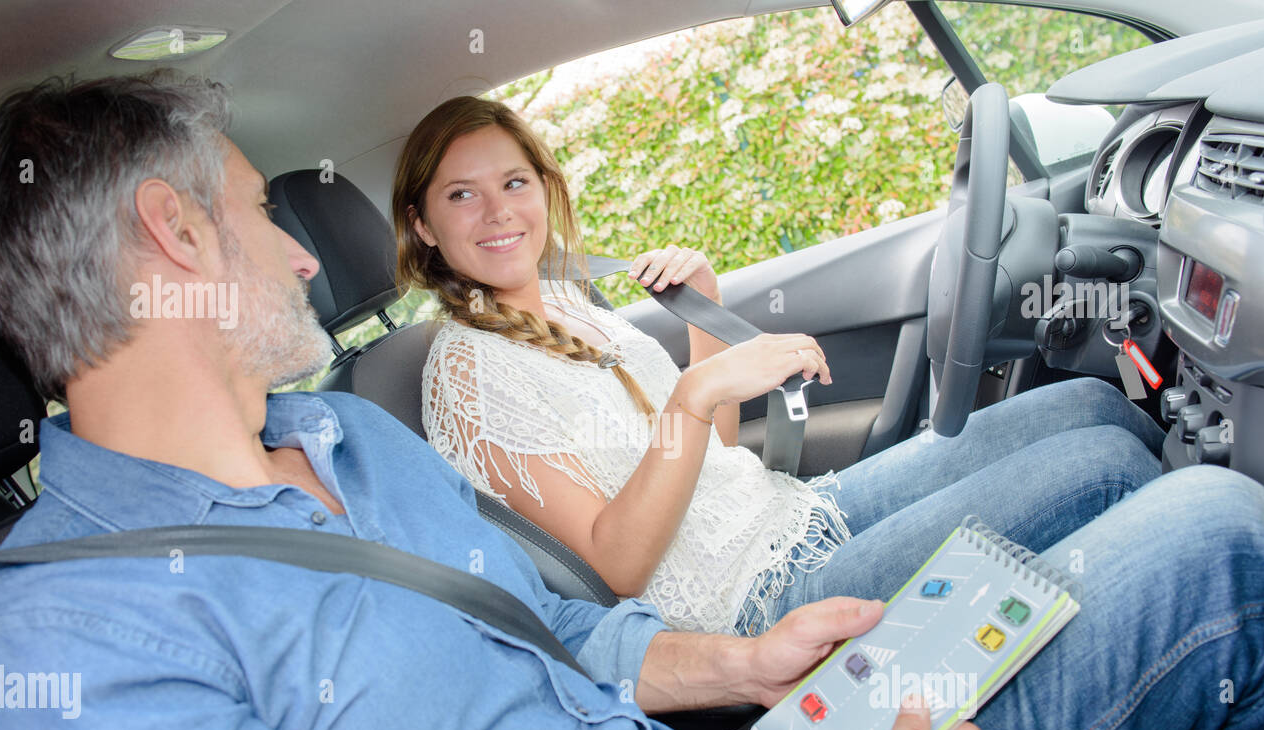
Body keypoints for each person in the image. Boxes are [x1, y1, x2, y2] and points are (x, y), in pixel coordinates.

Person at [0, 73, 1264, 730]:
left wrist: (736, 666)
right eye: (266, 214)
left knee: (1155, 484)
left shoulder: (347, 440)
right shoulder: (55, 669)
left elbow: (550, 623)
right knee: (1222, 540)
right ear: (175, 231)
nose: (310, 256)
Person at [401, 96, 1172, 638]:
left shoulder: (571, 299)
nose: (498, 212)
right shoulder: (465, 370)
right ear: (422, 225)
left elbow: (717, 460)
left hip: (797, 516)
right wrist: (695, 394)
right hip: (756, 602)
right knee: (1100, 465)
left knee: (1090, 410)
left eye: (513, 183)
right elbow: (617, 564)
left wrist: (702, 317)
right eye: (461, 195)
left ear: (545, 188)